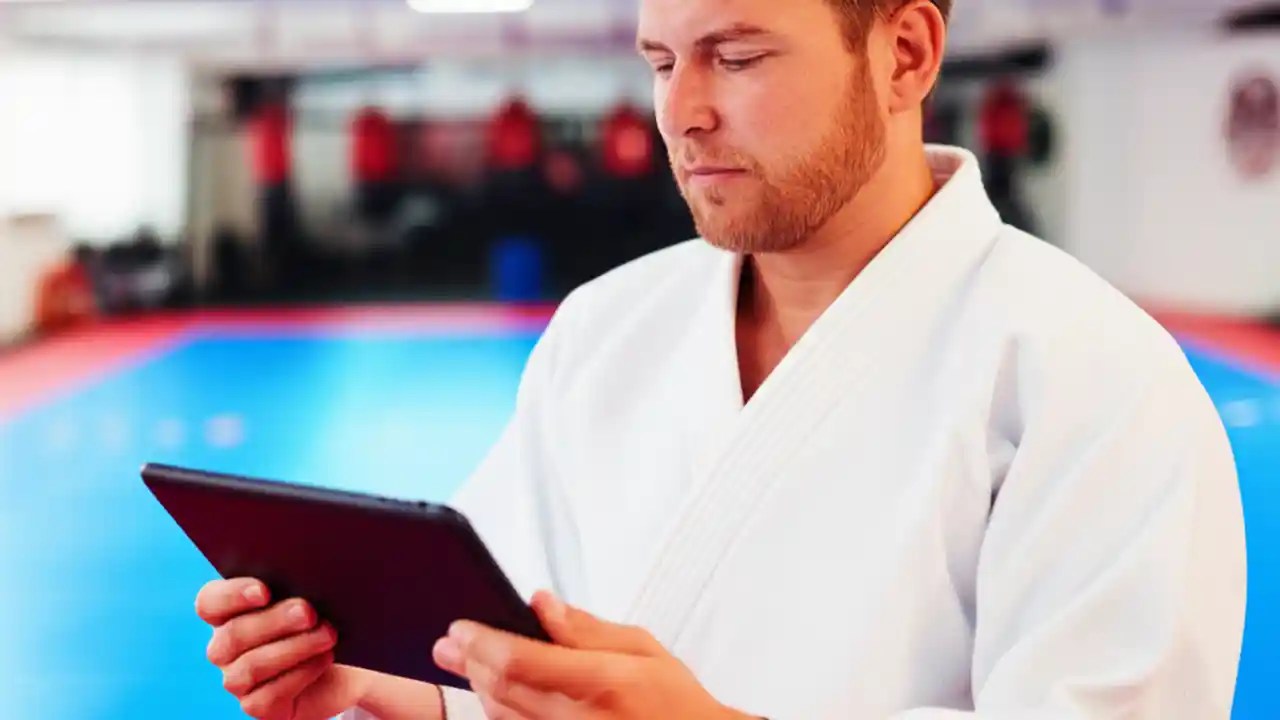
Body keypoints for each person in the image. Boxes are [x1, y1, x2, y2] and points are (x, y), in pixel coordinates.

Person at [193, 0, 1248, 718]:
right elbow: (513, 660)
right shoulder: (605, 330)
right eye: (659, 61)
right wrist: (390, 688)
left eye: (736, 57)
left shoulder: (1092, 380)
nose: (681, 112)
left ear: (905, 53)